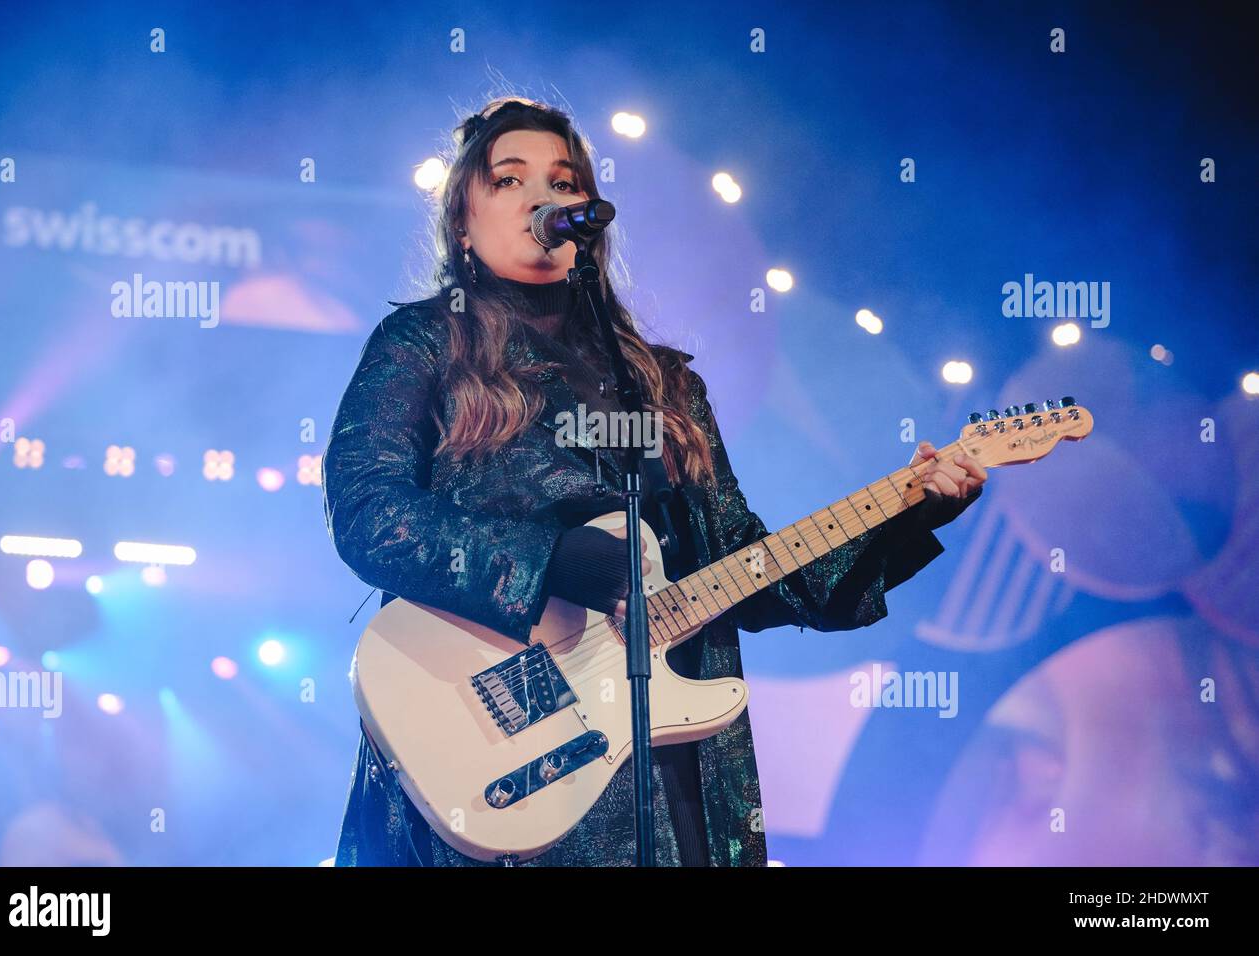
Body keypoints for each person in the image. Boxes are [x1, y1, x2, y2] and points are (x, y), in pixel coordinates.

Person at [322, 96, 986, 867]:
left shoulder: (661, 383)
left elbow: (749, 567)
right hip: (497, 743)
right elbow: (370, 513)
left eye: (565, 182)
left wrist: (905, 514)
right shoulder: (425, 343)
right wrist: (550, 562)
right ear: (462, 225)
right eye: (509, 180)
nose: (544, 197)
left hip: (666, 764)